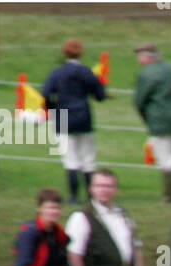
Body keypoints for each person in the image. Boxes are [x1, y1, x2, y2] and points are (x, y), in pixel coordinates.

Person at [40, 39, 106, 202]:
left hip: (63, 116)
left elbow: (46, 94)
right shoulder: (86, 72)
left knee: (70, 159)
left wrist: (53, 108)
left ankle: (73, 196)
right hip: (83, 116)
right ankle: (92, 196)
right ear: (81, 53)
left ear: (64, 52)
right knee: (88, 158)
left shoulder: (57, 72)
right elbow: (100, 93)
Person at [66, 168, 141, 266]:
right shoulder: (81, 218)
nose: (104, 190)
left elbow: (135, 246)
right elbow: (74, 256)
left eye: (109, 186)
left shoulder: (123, 215)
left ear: (115, 190)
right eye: (99, 186)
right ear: (91, 189)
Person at [132, 42, 171, 205]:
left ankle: (169, 196)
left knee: (164, 158)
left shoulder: (146, 73)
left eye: (139, 56)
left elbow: (139, 100)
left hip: (159, 119)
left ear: (145, 57)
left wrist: (146, 117)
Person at [9, 189, 73, 266]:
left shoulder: (60, 236)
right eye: (50, 208)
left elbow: (64, 265)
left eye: (57, 208)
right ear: (39, 209)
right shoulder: (28, 234)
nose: (54, 212)